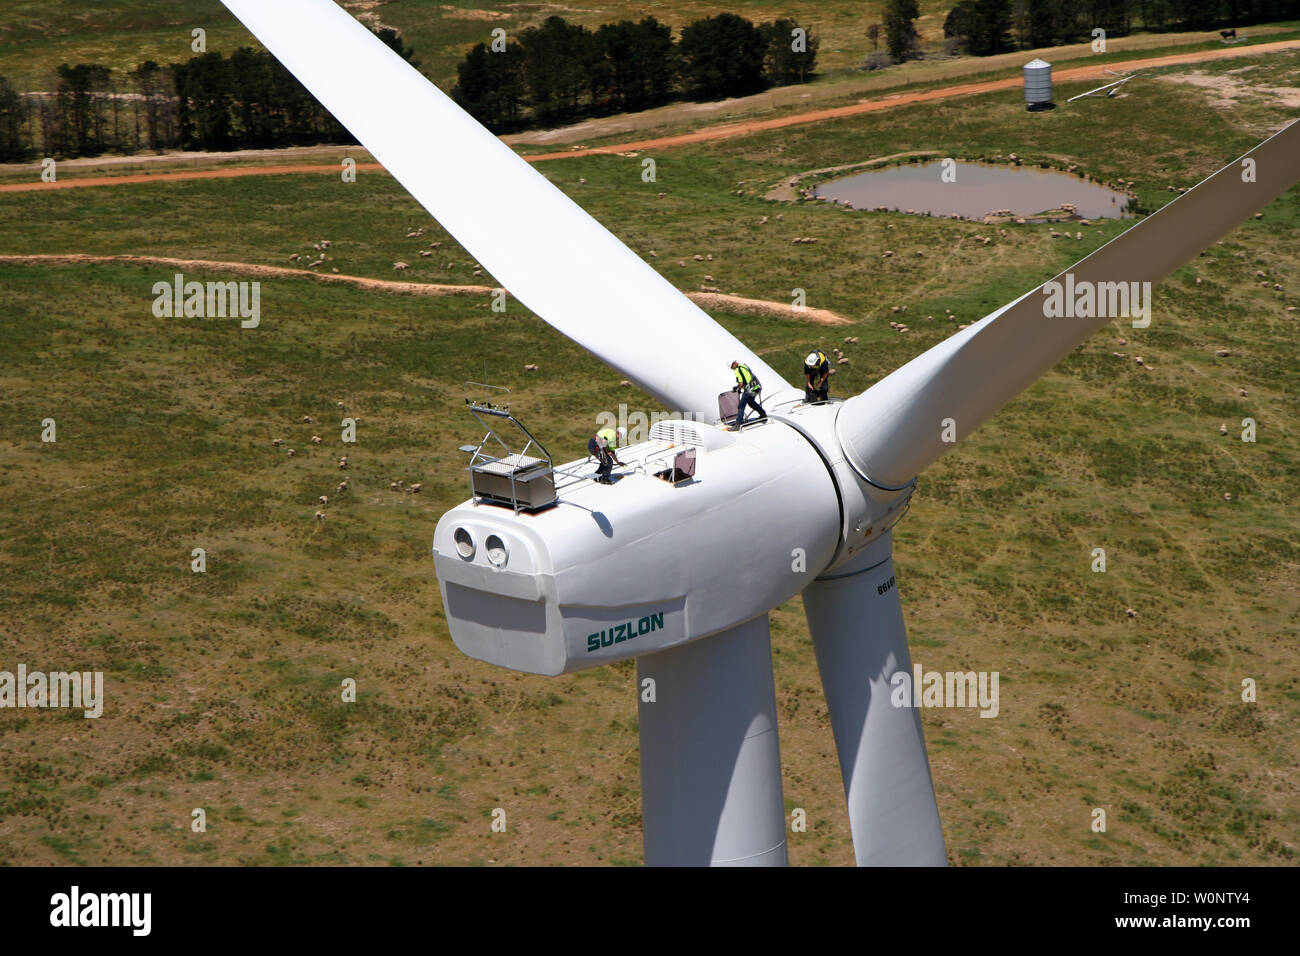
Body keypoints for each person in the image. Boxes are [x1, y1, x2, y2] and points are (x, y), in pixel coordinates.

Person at [730, 360, 766, 429]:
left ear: (734, 364)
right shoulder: (744, 366)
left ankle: (737, 425)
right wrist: (740, 389)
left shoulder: (737, 370)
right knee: (751, 402)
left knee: (741, 406)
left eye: (732, 367)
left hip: (750, 389)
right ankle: (763, 414)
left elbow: (741, 383)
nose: (732, 368)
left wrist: (737, 388)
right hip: (756, 387)